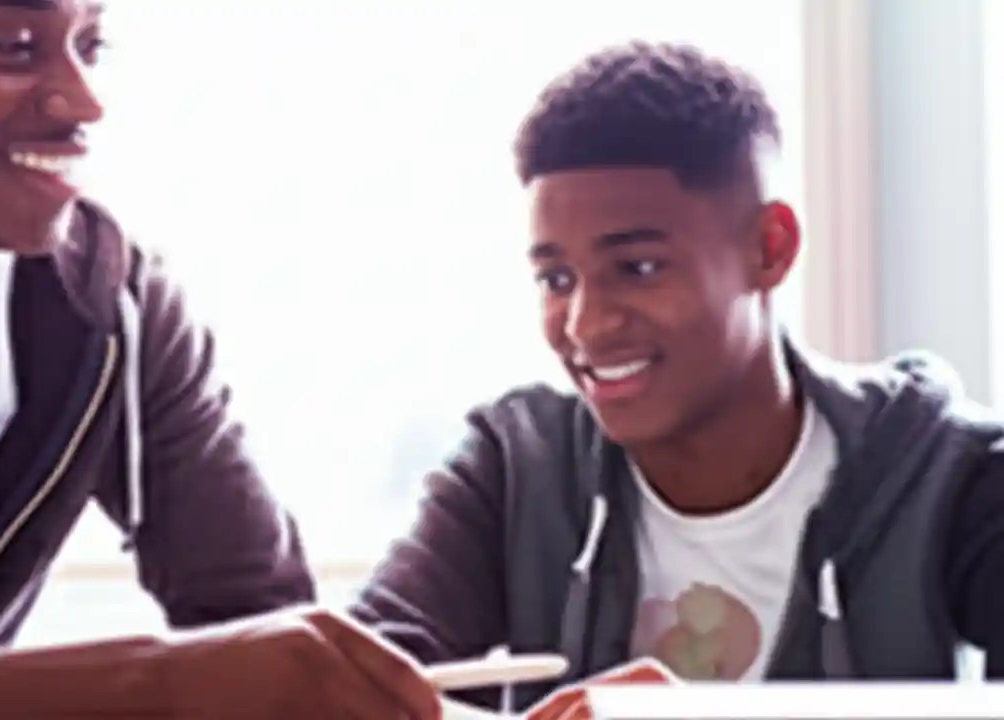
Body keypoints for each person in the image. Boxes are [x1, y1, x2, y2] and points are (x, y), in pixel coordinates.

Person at [0, 1, 441, 718]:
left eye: (89, 46)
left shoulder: (107, 310)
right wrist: (151, 683)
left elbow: (261, 626)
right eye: (11, 45)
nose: (84, 101)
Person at [352, 41, 1004, 715]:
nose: (586, 325)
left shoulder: (947, 472)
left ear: (770, 248)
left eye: (637, 268)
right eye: (556, 279)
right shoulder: (517, 466)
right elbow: (356, 682)